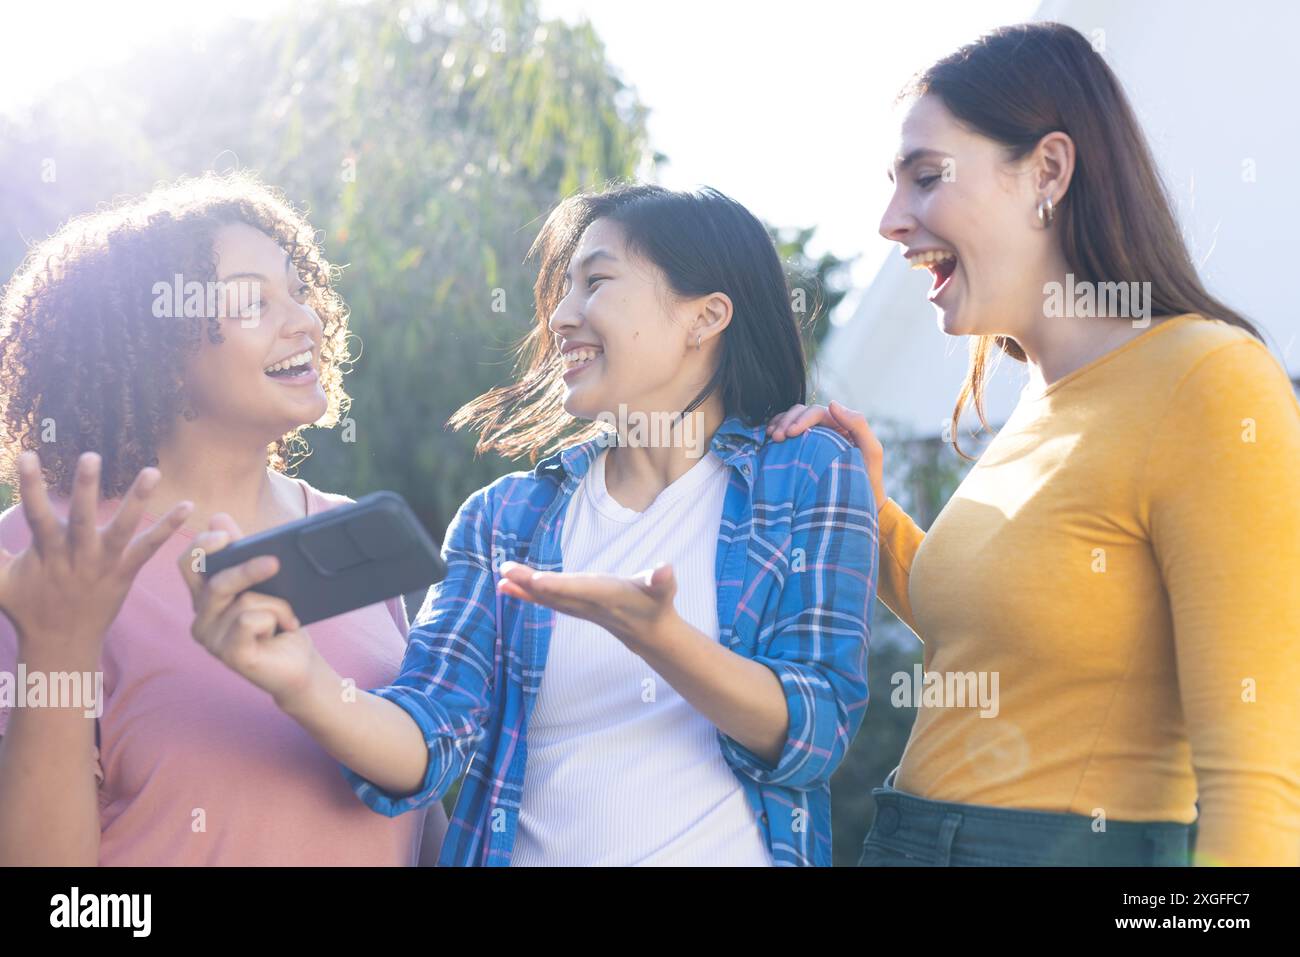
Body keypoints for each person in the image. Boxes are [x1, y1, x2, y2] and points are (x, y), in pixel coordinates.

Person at [185, 183, 878, 866]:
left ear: (706, 317)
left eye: (597, 282)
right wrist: (302, 679)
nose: (562, 318)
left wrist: (659, 637)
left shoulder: (806, 473)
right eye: (562, 292)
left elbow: (816, 730)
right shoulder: (504, 519)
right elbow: (430, 734)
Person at [769, 22, 1300, 866]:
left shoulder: (1210, 381)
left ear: (1047, 171)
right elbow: (1002, 634)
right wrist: (864, 509)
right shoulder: (1039, 398)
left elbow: (1258, 789)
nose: (889, 221)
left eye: (926, 177)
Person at [0, 172, 446, 865]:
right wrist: (56, 645)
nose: (304, 319)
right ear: (159, 350)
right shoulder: (46, 548)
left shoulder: (353, 535)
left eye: (299, 290)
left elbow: (420, 820)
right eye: (252, 302)